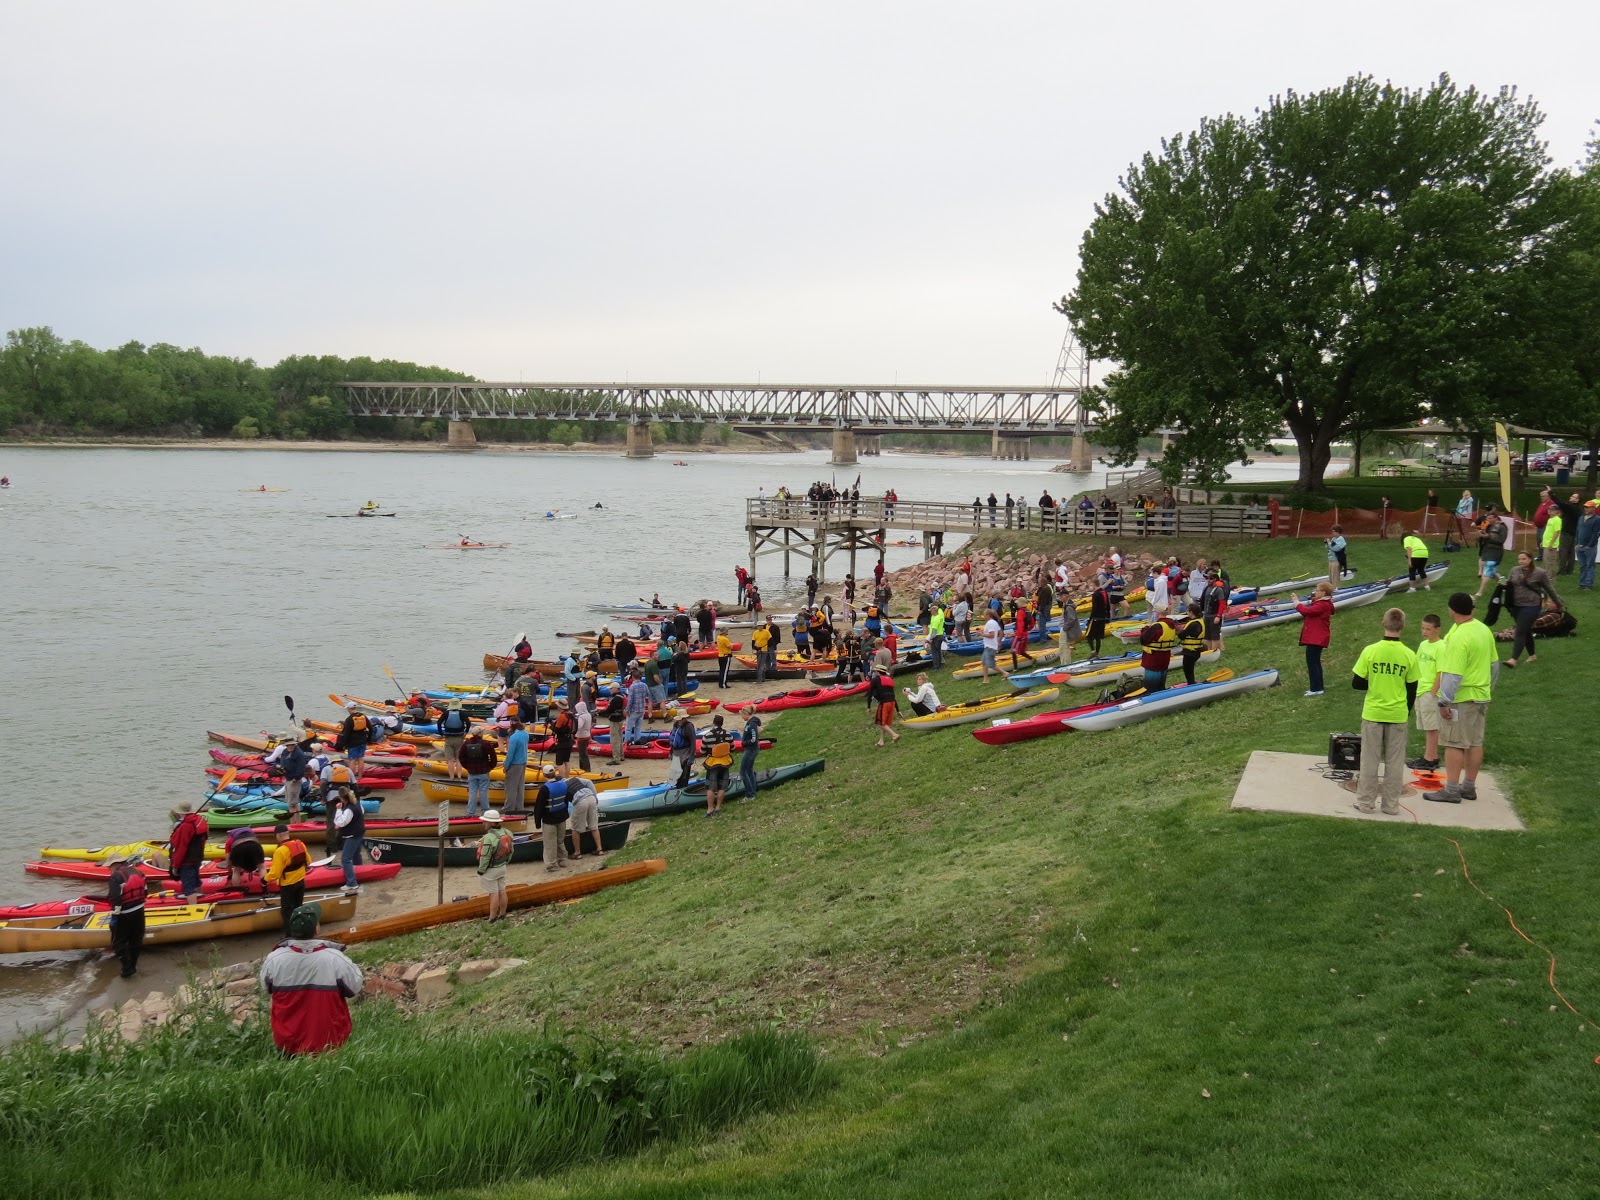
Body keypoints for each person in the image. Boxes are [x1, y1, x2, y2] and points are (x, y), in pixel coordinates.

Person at [259, 902, 362, 1054]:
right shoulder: (335, 958)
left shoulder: (274, 959)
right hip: (329, 1044)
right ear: (316, 928)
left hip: (288, 1046)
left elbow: (265, 986)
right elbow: (355, 986)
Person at [1348, 607, 1419, 816]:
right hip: (1397, 714)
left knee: (1369, 760)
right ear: (1403, 627)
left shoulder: (1371, 651)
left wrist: (1376, 683)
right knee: (1395, 762)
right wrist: (1406, 711)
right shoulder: (1409, 654)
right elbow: (1412, 688)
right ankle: (1391, 806)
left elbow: (1357, 682)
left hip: (1373, 713)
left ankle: (1365, 803)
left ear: (1383, 623)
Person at [1428, 592, 1497, 805]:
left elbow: (1453, 674)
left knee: (1453, 743)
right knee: (1475, 743)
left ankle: (1451, 789)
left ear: (1452, 610)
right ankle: (1468, 786)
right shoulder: (1483, 630)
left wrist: (1444, 702)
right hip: (1481, 696)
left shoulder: (1459, 637)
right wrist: (1487, 690)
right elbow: (1494, 665)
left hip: (1461, 698)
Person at [1502, 551, 1562, 668]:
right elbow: (1509, 585)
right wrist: (1501, 582)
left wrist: (1557, 603)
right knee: (1526, 630)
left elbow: (1549, 589)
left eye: (1523, 559)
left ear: (1530, 559)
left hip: (1532, 606)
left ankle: (1513, 659)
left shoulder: (1539, 573)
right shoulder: (1514, 570)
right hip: (1516, 606)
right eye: (1519, 559)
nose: (1521, 561)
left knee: (1520, 631)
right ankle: (1532, 655)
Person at [92, 857, 147, 978]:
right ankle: (132, 966)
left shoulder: (116, 877)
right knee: (136, 940)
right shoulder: (139, 872)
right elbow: (145, 892)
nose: (108, 869)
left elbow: (115, 899)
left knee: (118, 943)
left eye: (109, 867)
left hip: (124, 913)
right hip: (139, 910)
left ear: (116, 864)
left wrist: (115, 917)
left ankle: (127, 969)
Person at [1407, 613, 1445, 773]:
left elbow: (1441, 672)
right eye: (1423, 628)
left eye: (1428, 629)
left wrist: (1433, 692)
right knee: (1425, 726)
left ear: (1437, 629)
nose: (1424, 632)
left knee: (1432, 727)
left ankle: (1430, 759)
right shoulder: (1423, 645)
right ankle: (1430, 755)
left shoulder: (1442, 647)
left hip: (1430, 692)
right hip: (1420, 690)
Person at [1292, 581, 1336, 697]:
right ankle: (1317, 687)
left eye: (1317, 590)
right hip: (1318, 638)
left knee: (1312, 662)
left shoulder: (1322, 604)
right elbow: (1309, 613)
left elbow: (1307, 611)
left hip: (1316, 638)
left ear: (1323, 592)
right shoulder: (1324, 603)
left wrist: (1296, 602)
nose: (1315, 592)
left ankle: (1316, 688)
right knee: (1315, 662)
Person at [265, 824, 310, 931]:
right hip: (300, 881)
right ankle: (301, 928)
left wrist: (264, 879)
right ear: (287, 834)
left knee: (287, 911)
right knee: (298, 907)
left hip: (288, 885)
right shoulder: (300, 844)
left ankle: (290, 934)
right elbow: (308, 861)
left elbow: (275, 874)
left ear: (278, 836)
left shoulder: (280, 851)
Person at [475, 809, 514, 920]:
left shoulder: (488, 838)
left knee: (493, 894)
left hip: (491, 870)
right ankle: (502, 914)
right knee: (502, 891)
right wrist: (507, 861)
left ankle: (492, 918)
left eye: (485, 821)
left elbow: (485, 857)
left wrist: (481, 870)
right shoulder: (507, 832)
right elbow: (511, 850)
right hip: (502, 866)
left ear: (491, 823)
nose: (483, 823)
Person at [264, 738, 313, 820]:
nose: (290, 746)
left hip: (294, 780)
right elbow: (283, 764)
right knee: (293, 803)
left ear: (294, 744)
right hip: (288, 778)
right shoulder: (285, 752)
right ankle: (297, 823)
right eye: (288, 745)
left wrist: (296, 778)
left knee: (292, 804)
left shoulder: (299, 754)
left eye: (291, 745)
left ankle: (294, 823)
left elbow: (301, 768)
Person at [167, 801, 209, 900]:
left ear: (181, 812)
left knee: (188, 888)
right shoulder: (199, 820)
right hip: (198, 856)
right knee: (196, 881)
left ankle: (193, 910)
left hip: (187, 860)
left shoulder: (186, 826)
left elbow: (181, 847)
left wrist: (175, 865)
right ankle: (202, 901)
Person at [331, 786, 365, 893]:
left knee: (346, 859)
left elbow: (340, 822)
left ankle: (352, 883)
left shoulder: (349, 809)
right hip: (359, 833)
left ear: (341, 798)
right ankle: (361, 874)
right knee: (356, 855)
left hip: (352, 836)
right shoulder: (357, 804)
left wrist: (338, 810)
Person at [534, 777, 572, 869]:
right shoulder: (563, 785)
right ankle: (563, 860)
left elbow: (539, 806)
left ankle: (552, 864)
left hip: (549, 820)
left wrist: (537, 822)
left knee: (550, 843)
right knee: (560, 841)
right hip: (561, 818)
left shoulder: (545, 788)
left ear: (544, 775)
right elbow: (568, 799)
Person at [457, 730, 497, 817]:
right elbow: (493, 757)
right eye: (482, 732)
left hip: (472, 773)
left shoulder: (466, 744)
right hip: (483, 772)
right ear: (479, 734)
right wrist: (490, 767)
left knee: (472, 793)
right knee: (483, 792)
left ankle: (470, 812)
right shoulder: (486, 744)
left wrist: (467, 767)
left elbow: (461, 757)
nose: (483, 734)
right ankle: (485, 811)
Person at [701, 715, 735, 815]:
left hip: (713, 764)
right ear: (722, 723)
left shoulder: (707, 736)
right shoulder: (728, 734)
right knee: (722, 787)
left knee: (710, 787)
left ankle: (710, 809)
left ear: (713, 722)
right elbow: (732, 748)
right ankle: (718, 807)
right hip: (725, 762)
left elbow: (702, 751)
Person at [1137, 610, 1177, 693]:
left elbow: (1144, 639)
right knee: (1161, 684)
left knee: (1151, 687)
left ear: (1157, 613)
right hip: (1165, 658)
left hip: (1153, 658)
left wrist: (1145, 629)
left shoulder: (1157, 626)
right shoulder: (1172, 626)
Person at [566, 773, 602, 858]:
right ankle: (599, 849)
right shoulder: (574, 779)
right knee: (593, 826)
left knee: (575, 828)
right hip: (591, 797)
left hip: (580, 801)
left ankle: (577, 853)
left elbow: (564, 801)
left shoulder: (561, 786)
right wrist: (595, 796)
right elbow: (589, 782)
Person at [1474, 509, 1509, 598]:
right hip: (1487, 550)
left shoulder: (1502, 527)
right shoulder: (1489, 526)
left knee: (1488, 570)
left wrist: (1488, 536)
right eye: (1487, 518)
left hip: (1496, 551)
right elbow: (1485, 535)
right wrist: (1481, 534)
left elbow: (1501, 540)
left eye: (1490, 518)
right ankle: (1506, 586)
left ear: (1496, 517)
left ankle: (1480, 592)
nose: (1488, 520)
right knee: (1494, 571)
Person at [501, 719, 529, 815]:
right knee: (520, 786)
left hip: (514, 764)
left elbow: (510, 754)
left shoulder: (514, 738)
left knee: (511, 787)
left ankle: (509, 807)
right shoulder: (525, 733)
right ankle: (519, 807)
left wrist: (506, 766)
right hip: (523, 762)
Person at [868, 667, 900, 746]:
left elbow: (870, 693)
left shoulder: (875, 680)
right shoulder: (889, 680)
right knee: (885, 723)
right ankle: (881, 741)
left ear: (878, 672)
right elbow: (893, 695)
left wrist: (868, 706)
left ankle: (894, 735)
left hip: (884, 703)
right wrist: (898, 710)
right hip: (892, 702)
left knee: (879, 723)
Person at [438, 701, 470, 780]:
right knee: (458, 759)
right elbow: (468, 723)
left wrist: (441, 733)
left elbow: (439, 723)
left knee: (450, 760)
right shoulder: (462, 713)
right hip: (459, 738)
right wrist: (466, 732)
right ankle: (459, 776)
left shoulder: (446, 713)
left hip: (448, 738)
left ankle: (451, 777)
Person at [1177, 602, 1206, 685]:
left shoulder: (1193, 624)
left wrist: (1180, 630)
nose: (1187, 612)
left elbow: (1181, 636)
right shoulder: (1200, 621)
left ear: (1191, 613)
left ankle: (1191, 684)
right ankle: (1191, 682)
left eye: (1188, 611)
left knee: (1188, 670)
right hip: (1196, 650)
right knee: (1189, 670)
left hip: (1190, 651)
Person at [738, 707, 763, 800]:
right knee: (749, 770)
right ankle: (753, 791)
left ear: (746, 714)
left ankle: (750, 794)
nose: (741, 717)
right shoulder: (750, 723)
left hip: (751, 749)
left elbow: (754, 738)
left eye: (742, 715)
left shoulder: (752, 724)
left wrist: (744, 743)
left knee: (743, 771)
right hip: (751, 749)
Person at [668, 713, 697, 788]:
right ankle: (675, 788)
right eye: (681, 719)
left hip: (686, 752)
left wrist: (691, 757)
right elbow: (673, 740)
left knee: (684, 775)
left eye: (683, 718)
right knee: (675, 775)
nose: (682, 720)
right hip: (676, 752)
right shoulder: (676, 724)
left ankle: (683, 788)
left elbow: (693, 742)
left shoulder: (689, 726)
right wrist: (670, 752)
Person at [1086, 574, 1112, 658]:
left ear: (1094, 585)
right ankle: (1097, 653)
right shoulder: (1104, 592)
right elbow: (1108, 605)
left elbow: (1095, 608)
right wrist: (1108, 617)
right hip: (1103, 618)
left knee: (1088, 635)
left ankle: (1093, 652)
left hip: (1096, 618)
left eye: (1091, 585)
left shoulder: (1095, 594)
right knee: (1098, 637)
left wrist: (1090, 619)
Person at [1577, 500, 1600, 590]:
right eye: (1585, 507)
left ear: (1593, 508)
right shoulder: (1581, 518)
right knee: (1582, 566)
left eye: (1588, 507)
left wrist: (1589, 545)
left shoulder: (1597, 519)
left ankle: (1588, 584)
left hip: (1589, 547)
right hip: (1580, 545)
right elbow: (1577, 531)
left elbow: (1596, 534)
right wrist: (1576, 543)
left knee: (1590, 565)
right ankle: (1582, 583)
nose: (1586, 509)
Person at [624, 670, 650, 741]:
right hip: (642, 709)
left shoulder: (632, 686)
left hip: (633, 710)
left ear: (632, 677)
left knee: (628, 728)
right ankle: (637, 741)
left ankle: (627, 742)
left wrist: (627, 710)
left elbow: (630, 700)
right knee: (638, 728)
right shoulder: (645, 685)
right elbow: (648, 695)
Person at [980, 607, 1003, 683]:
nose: (983, 616)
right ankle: (985, 679)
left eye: (984, 615)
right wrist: (999, 641)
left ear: (987, 615)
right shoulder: (994, 622)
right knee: (984, 662)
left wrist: (982, 634)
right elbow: (1000, 632)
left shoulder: (990, 623)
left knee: (990, 663)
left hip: (990, 646)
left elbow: (992, 635)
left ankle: (1005, 673)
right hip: (989, 645)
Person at [603, 688, 627, 765]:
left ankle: (616, 758)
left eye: (611, 688)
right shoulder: (622, 696)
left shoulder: (616, 698)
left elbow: (610, 709)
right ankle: (621, 755)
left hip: (615, 720)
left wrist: (600, 713)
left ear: (616, 689)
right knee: (620, 737)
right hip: (621, 719)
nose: (610, 690)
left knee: (614, 739)